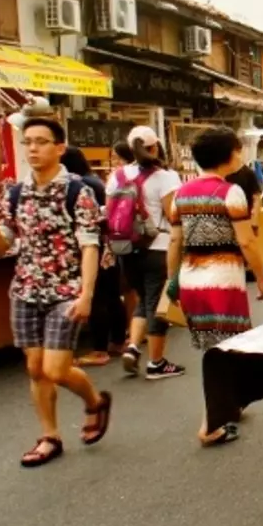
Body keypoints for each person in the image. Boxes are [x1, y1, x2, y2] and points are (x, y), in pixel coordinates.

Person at [0, 118, 111, 467]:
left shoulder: (77, 190)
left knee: (56, 369)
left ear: (59, 148)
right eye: (28, 142)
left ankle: (94, 401)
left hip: (65, 289)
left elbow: (90, 246)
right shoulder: (14, 193)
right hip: (25, 289)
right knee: (36, 368)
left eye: (41, 142)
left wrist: (86, 294)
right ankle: (49, 436)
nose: (33, 149)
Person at [164, 127, 263, 446]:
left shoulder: (182, 194)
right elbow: (247, 241)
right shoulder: (230, 192)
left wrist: (173, 281)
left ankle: (229, 405)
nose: (240, 156)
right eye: (238, 151)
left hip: (191, 279)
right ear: (228, 155)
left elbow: (174, 241)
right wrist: (262, 277)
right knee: (223, 351)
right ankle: (210, 424)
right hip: (223, 280)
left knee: (216, 348)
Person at [109, 126, 186, 380]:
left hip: (125, 249)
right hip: (157, 247)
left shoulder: (117, 175)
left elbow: (110, 214)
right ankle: (156, 363)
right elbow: (173, 215)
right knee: (157, 304)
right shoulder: (166, 177)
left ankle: (133, 346)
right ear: (155, 147)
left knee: (144, 298)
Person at [61, 146, 126, 368]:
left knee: (98, 296)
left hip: (95, 247)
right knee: (112, 295)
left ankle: (99, 348)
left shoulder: (80, 185)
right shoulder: (95, 180)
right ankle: (117, 341)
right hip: (108, 246)